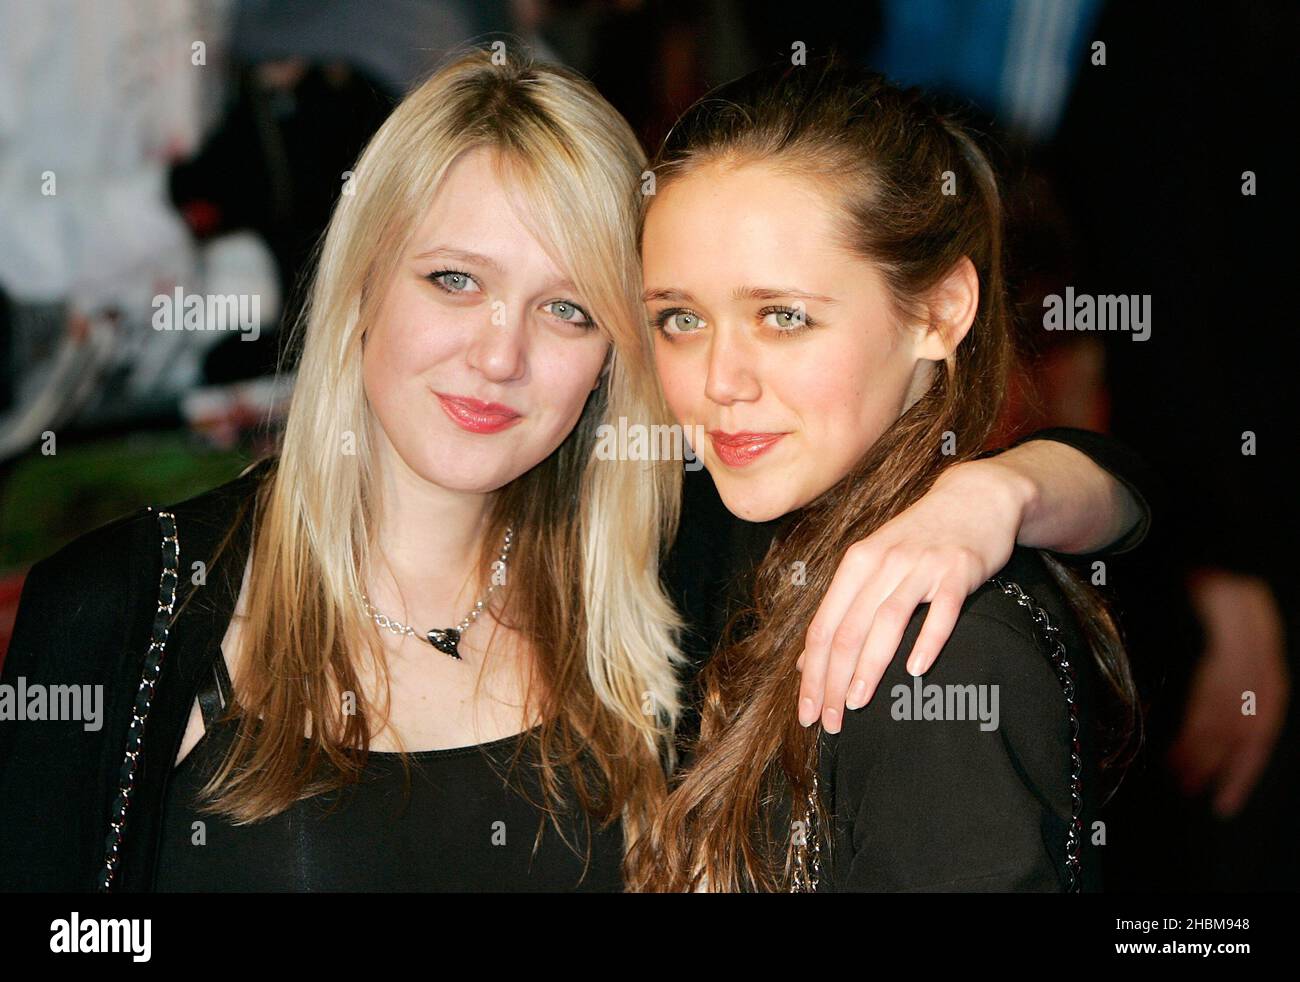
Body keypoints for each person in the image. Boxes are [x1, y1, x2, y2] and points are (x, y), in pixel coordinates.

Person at [0, 47, 1148, 892]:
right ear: (361, 280)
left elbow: (1138, 496)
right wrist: (1003, 493)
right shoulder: (124, 612)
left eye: (566, 308)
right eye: (453, 279)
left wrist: (995, 494)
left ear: (608, 354)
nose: (497, 354)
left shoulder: (693, 568)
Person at [628, 56, 1139, 892]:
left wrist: (1010, 492)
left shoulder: (936, 647)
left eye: (782, 316)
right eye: (680, 319)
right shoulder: (730, 539)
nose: (719, 379)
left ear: (938, 313)